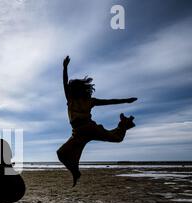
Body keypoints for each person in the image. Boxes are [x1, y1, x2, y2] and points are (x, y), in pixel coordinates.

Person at [57, 56, 138, 186]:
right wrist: (65, 67)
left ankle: (124, 123)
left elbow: (109, 101)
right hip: (77, 133)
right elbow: (64, 83)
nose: (70, 89)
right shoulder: (70, 99)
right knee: (61, 153)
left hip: (90, 128)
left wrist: (127, 100)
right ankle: (75, 172)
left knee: (116, 138)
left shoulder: (90, 101)